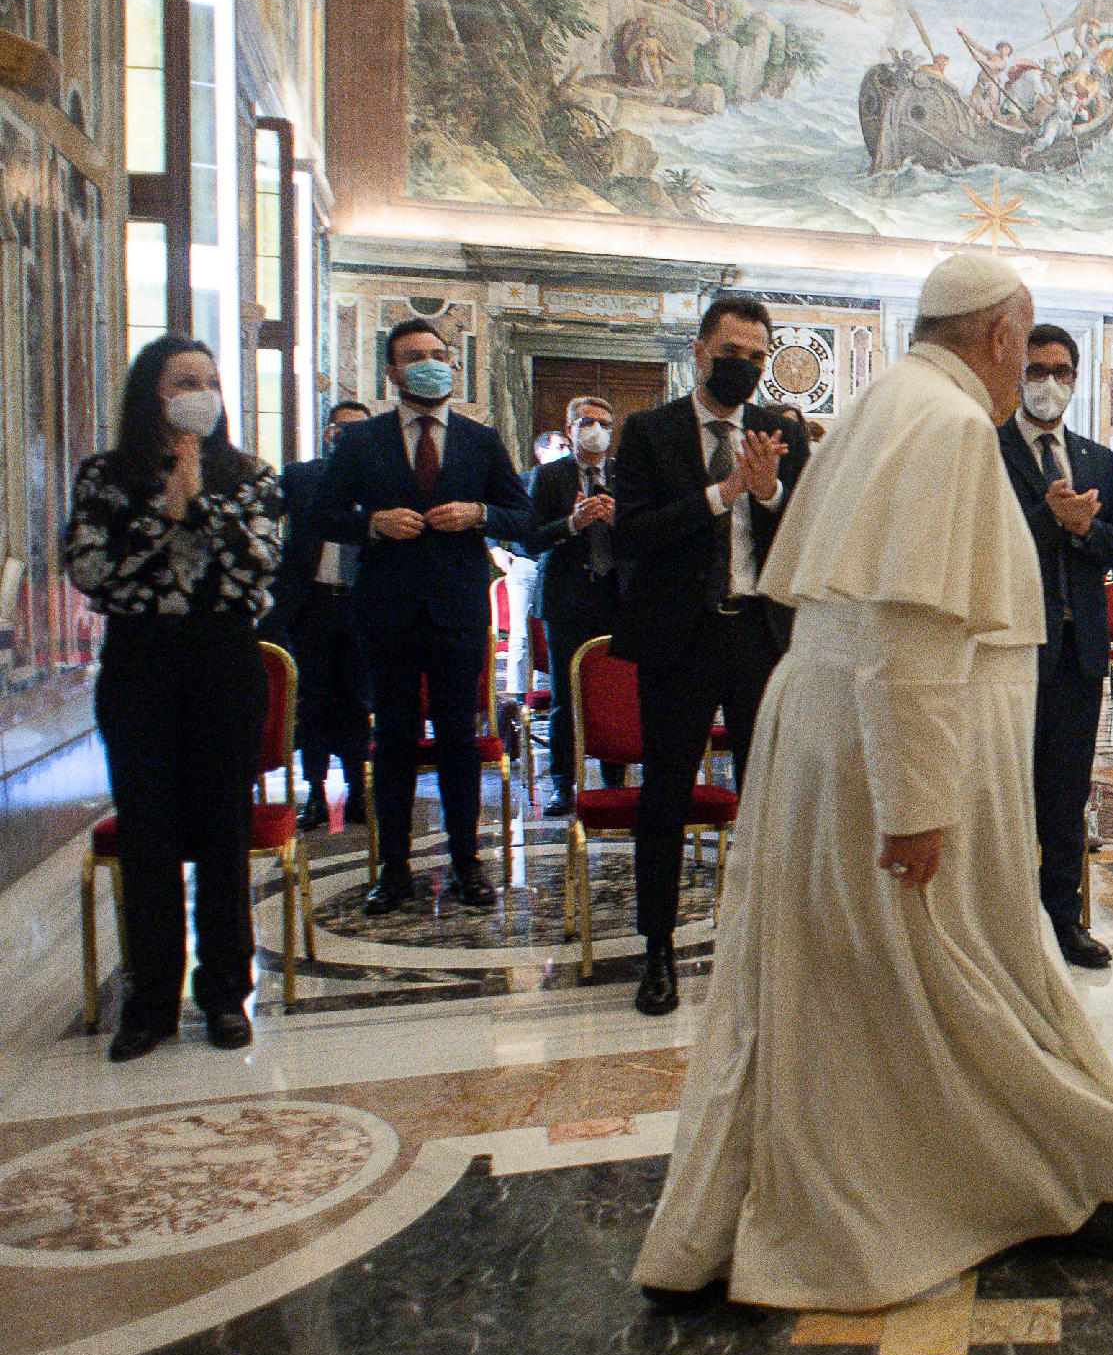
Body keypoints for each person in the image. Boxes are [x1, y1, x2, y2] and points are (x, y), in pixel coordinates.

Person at [632, 249, 1113, 1314]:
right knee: (956, 979)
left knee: (875, 994)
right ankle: (1041, 1182)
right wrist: (916, 808)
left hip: (844, 734)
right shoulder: (946, 425)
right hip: (890, 755)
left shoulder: (888, 398)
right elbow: (910, 627)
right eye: (1023, 349)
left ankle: (1008, 1172)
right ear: (998, 338)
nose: (1026, 373)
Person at [62, 337, 283, 1061]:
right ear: (150, 393)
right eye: (187, 380)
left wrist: (201, 510)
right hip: (141, 664)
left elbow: (258, 571)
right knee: (147, 831)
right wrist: (164, 511)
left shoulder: (248, 475)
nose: (204, 391)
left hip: (223, 659)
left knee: (224, 829)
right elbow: (93, 572)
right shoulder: (107, 475)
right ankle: (150, 1000)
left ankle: (226, 992)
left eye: (212, 381)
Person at [611, 295, 812, 1015]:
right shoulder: (649, 432)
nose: (747, 369)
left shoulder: (779, 429)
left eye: (758, 358)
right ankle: (658, 949)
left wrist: (767, 493)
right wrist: (722, 492)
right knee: (664, 798)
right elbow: (630, 534)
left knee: (771, 798)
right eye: (733, 354)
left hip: (760, 636)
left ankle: (767, 939)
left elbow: (802, 532)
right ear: (700, 352)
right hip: (680, 638)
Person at [318, 318, 533, 912]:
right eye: (414, 356)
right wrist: (371, 523)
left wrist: (479, 514)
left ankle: (468, 861)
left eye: (438, 354)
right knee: (393, 742)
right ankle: (393, 868)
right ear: (392, 371)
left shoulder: (479, 440)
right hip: (385, 610)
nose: (429, 363)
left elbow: (525, 519)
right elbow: (320, 515)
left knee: (460, 741)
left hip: (458, 611)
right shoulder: (362, 442)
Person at [999, 323, 1113, 969]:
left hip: (1079, 651)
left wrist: (1084, 530)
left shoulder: (1095, 459)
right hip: (1010, 650)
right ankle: (1001, 929)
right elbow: (981, 537)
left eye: (1060, 371)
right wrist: (1046, 519)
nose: (1048, 383)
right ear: (1017, 374)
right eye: (1036, 370)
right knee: (1002, 795)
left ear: (1076, 380)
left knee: (1065, 796)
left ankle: (1063, 921)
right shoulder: (989, 449)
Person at [265, 398, 373, 831]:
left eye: (356, 429)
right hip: (310, 603)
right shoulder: (301, 476)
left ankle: (358, 790)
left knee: (356, 701)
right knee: (311, 702)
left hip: (362, 604)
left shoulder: (382, 481)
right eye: (338, 427)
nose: (344, 435)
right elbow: (261, 522)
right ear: (326, 431)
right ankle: (314, 790)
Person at [526, 395, 625, 815]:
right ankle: (563, 783)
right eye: (587, 421)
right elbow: (527, 539)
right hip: (566, 598)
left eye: (604, 422)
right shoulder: (548, 477)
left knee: (616, 688)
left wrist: (620, 520)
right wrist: (572, 523)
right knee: (566, 693)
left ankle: (614, 779)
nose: (596, 429)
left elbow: (650, 536)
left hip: (617, 597)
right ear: (569, 430)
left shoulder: (627, 476)